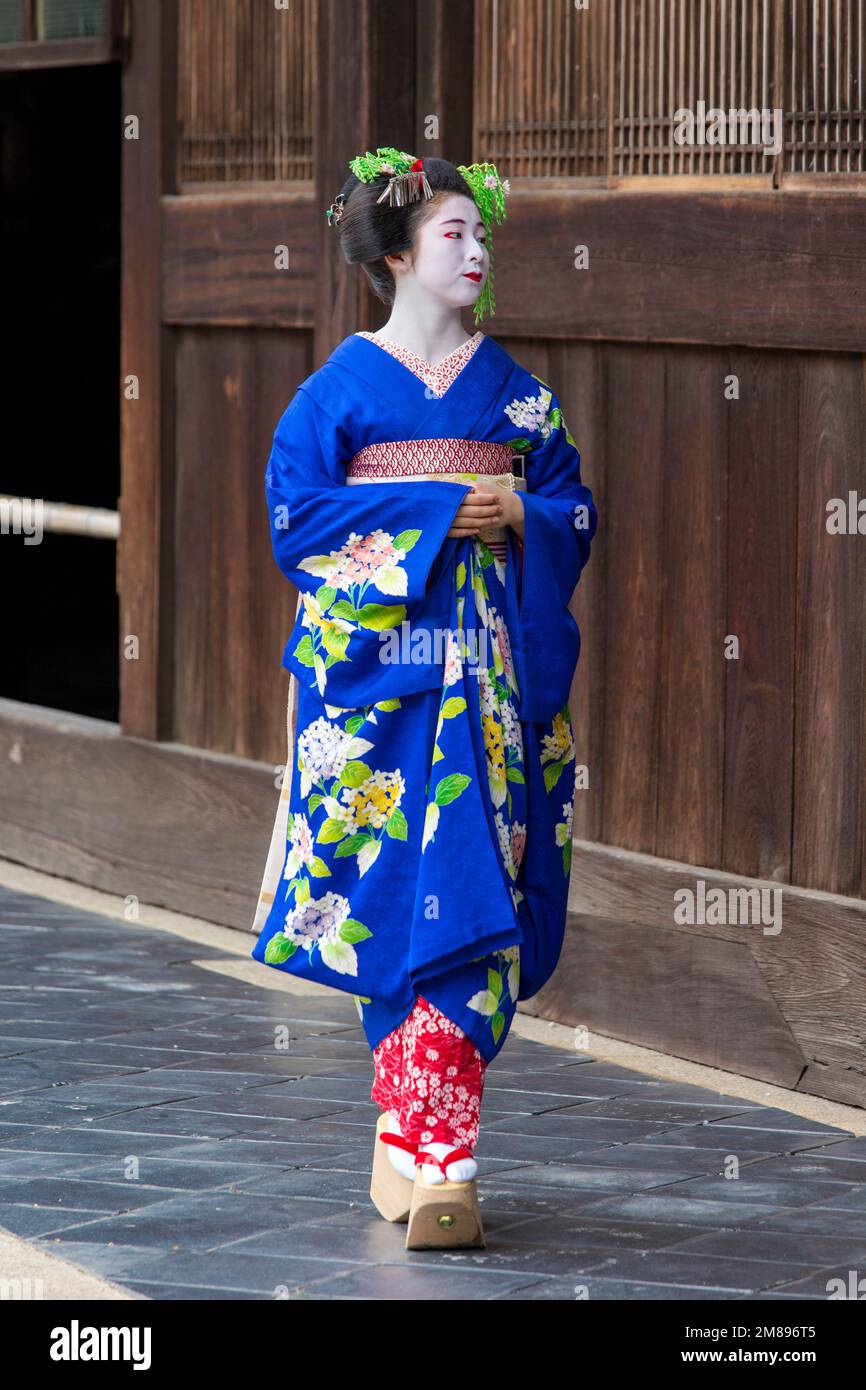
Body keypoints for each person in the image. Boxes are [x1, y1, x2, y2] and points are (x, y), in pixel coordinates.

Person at [250, 146, 597, 1217]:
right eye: (454, 233)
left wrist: (520, 516)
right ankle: (427, 1148)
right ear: (397, 255)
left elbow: (576, 508)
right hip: (375, 691)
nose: (476, 251)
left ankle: (425, 1146)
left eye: (481, 235)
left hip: (490, 681)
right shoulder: (334, 393)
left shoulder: (519, 398)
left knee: (479, 875)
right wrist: (429, 511)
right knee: (389, 885)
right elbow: (295, 520)